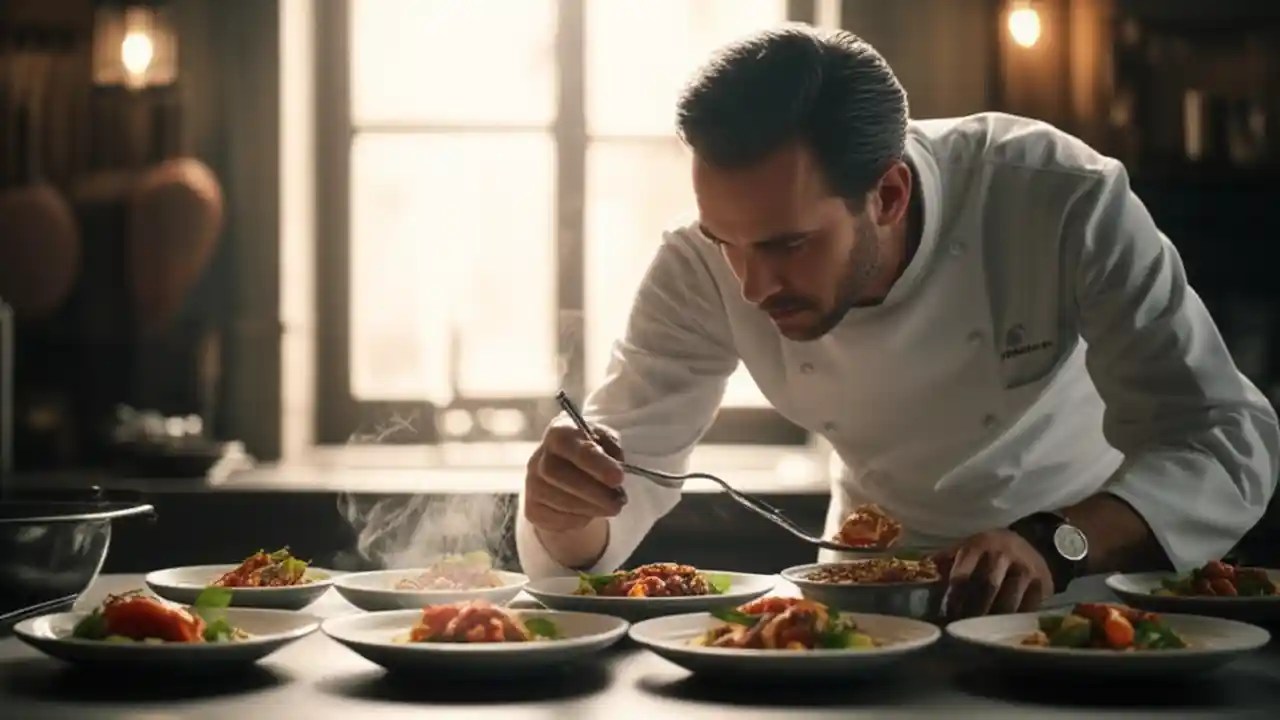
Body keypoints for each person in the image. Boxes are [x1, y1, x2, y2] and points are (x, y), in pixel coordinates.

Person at [515, 24, 1280, 618]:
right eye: (727, 244)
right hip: (864, 605)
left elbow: (1223, 439)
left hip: (1077, 597)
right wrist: (566, 508)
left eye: (788, 245)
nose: (750, 285)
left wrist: (1056, 542)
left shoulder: (1059, 198)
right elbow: (620, 482)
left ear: (888, 196)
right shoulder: (697, 264)